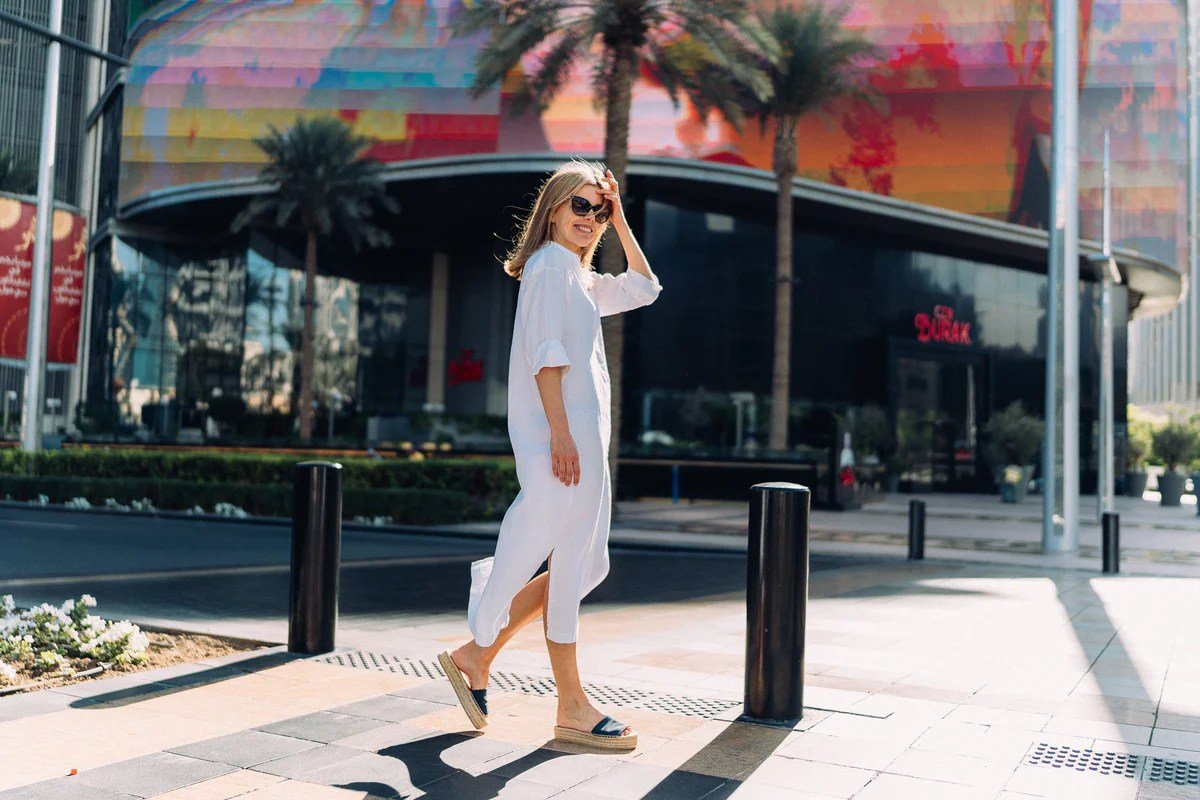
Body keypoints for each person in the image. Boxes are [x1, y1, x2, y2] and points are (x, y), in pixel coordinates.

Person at [438, 160, 662, 751]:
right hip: (565, 444)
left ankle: (477, 657)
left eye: (598, 209)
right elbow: (547, 356)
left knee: (579, 567)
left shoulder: (578, 279)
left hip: (583, 444)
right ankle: (569, 705)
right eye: (580, 207)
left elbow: (644, 288)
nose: (589, 218)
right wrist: (561, 434)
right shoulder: (546, 269)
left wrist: (620, 222)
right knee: (566, 566)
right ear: (554, 209)